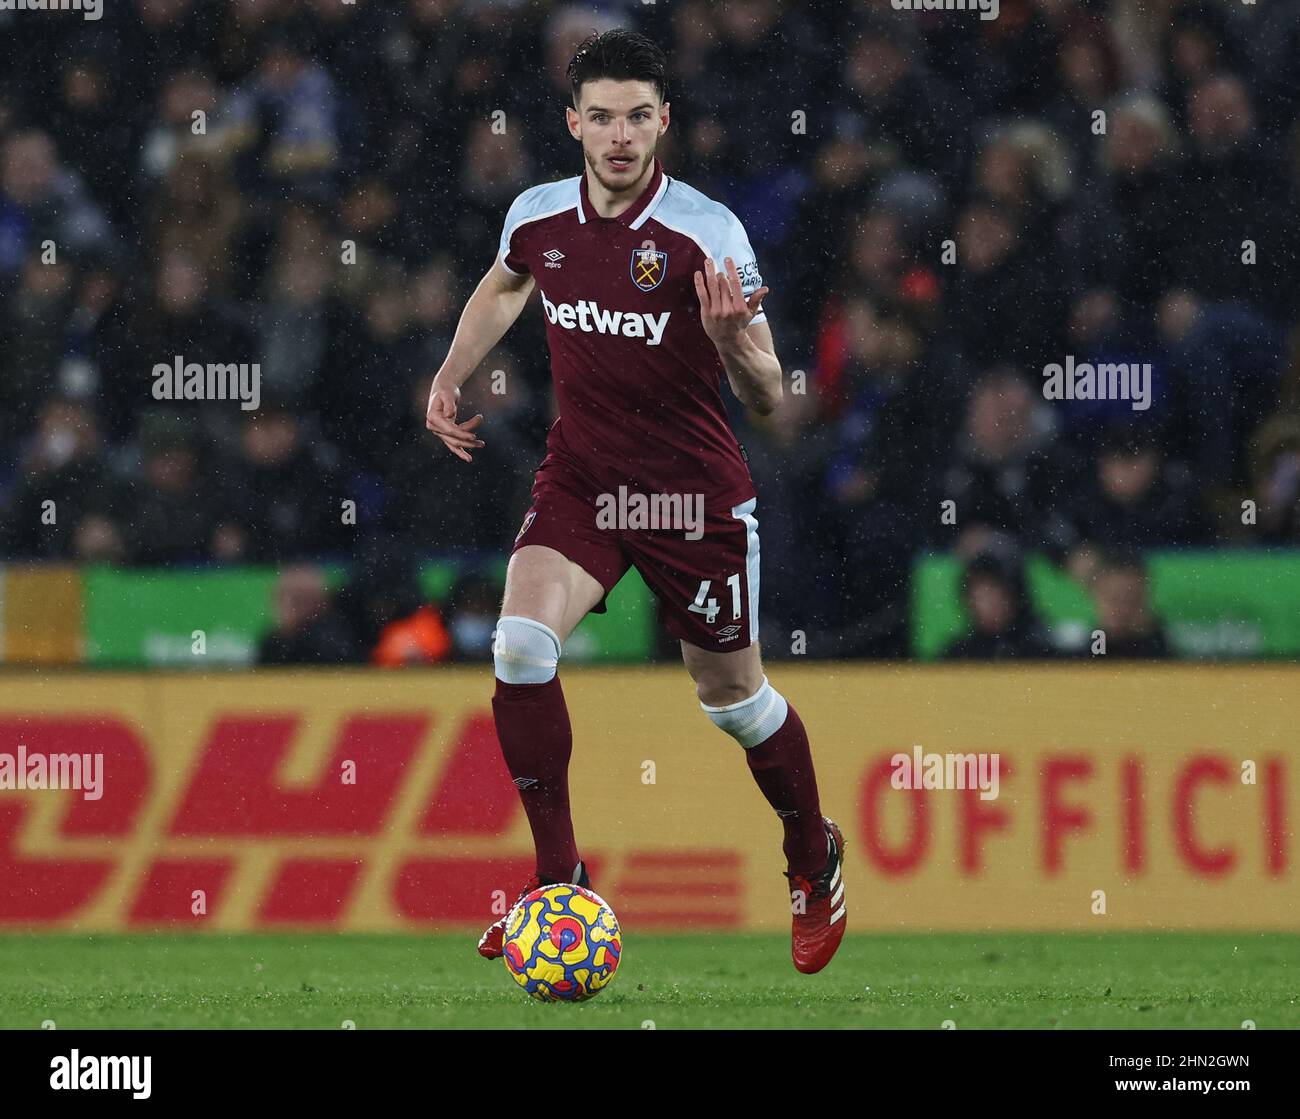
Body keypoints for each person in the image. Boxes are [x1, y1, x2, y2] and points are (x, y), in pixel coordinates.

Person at [423, 31, 845, 974]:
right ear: (574, 123)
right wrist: (450, 375)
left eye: (637, 116)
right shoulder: (537, 215)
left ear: (664, 122)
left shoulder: (708, 233)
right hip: (582, 479)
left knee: (733, 702)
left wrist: (735, 339)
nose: (619, 135)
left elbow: (773, 396)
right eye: (602, 117)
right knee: (520, 647)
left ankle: (813, 856)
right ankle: (557, 879)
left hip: (694, 498)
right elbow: (504, 286)